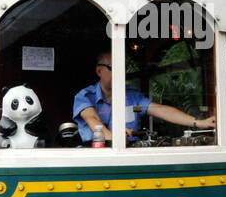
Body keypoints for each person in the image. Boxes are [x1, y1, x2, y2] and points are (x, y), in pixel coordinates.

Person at [72, 52, 214, 144]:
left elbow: (160, 110)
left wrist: (199, 122)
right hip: (96, 155)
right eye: (113, 67)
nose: (120, 72)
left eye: (123, 67)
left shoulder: (133, 97)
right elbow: (92, 119)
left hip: (131, 153)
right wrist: (114, 137)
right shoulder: (85, 96)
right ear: (99, 71)